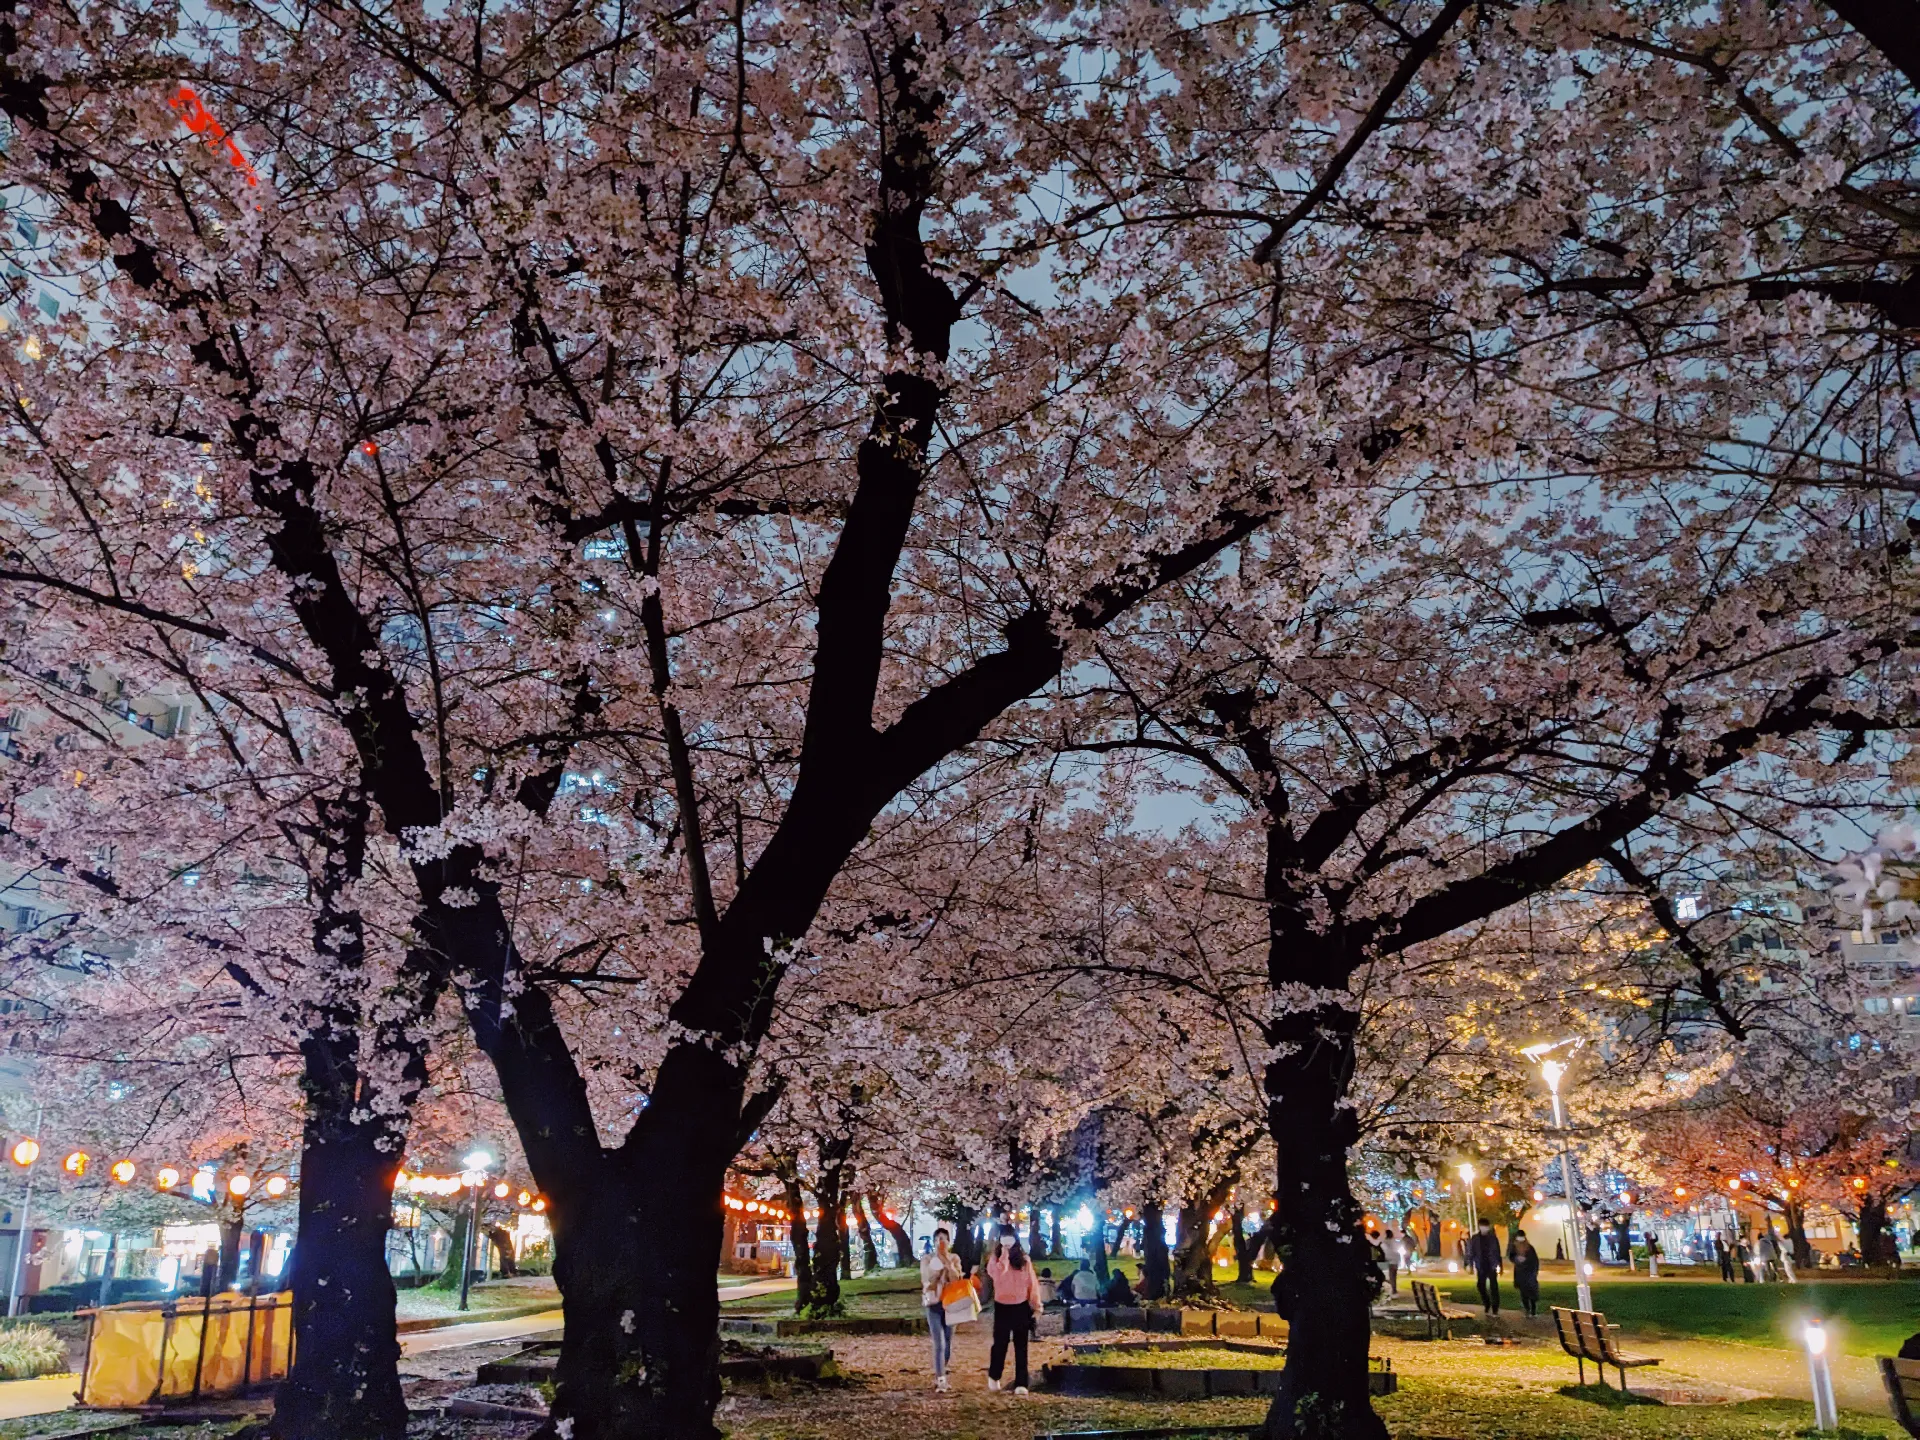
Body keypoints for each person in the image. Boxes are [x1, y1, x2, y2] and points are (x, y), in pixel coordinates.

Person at [985, 1228, 1042, 1395]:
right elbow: (995, 1274)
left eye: (1010, 1237)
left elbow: (1032, 1283)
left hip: (1021, 1306)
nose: (1007, 1240)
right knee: (1000, 1344)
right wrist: (1004, 1256)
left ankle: (1021, 1383)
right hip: (1002, 1306)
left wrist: (1036, 1306)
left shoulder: (1024, 1260)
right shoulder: (995, 1259)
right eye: (1004, 1237)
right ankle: (994, 1375)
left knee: (1021, 1346)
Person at [920, 1227, 963, 1392]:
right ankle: (941, 1379)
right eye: (938, 1238)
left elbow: (956, 1278)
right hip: (933, 1303)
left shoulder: (954, 1258)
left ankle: (941, 1370)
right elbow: (928, 1279)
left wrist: (948, 1263)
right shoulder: (927, 1259)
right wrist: (938, 1264)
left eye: (944, 1238)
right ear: (933, 1242)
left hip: (951, 1304)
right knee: (939, 1342)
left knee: (948, 1341)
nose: (941, 1241)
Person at [1467, 1218, 1502, 1315]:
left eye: (1486, 1226)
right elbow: (1471, 1252)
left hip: (1491, 1265)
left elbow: (1497, 1252)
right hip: (1481, 1265)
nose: (1484, 1228)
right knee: (1480, 1286)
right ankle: (1487, 1303)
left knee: (1493, 1287)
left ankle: (1495, 1307)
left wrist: (1499, 1265)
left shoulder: (1492, 1238)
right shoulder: (1475, 1238)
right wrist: (1470, 1264)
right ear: (1479, 1226)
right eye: (1482, 1226)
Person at [1511, 1234, 1541, 1317]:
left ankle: (1533, 1311)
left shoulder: (1530, 1248)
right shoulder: (1515, 1248)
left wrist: (1534, 1273)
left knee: (1532, 1294)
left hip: (1530, 1274)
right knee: (1523, 1294)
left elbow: (1534, 1261)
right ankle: (1527, 1310)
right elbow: (1511, 1257)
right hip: (1520, 1275)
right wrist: (1517, 1259)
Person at [1381, 1228, 1400, 1294]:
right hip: (1396, 1260)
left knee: (1391, 1276)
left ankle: (1393, 1290)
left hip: (1389, 1260)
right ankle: (1394, 1289)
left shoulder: (1384, 1242)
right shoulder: (1394, 1241)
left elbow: (1384, 1250)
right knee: (1394, 1276)